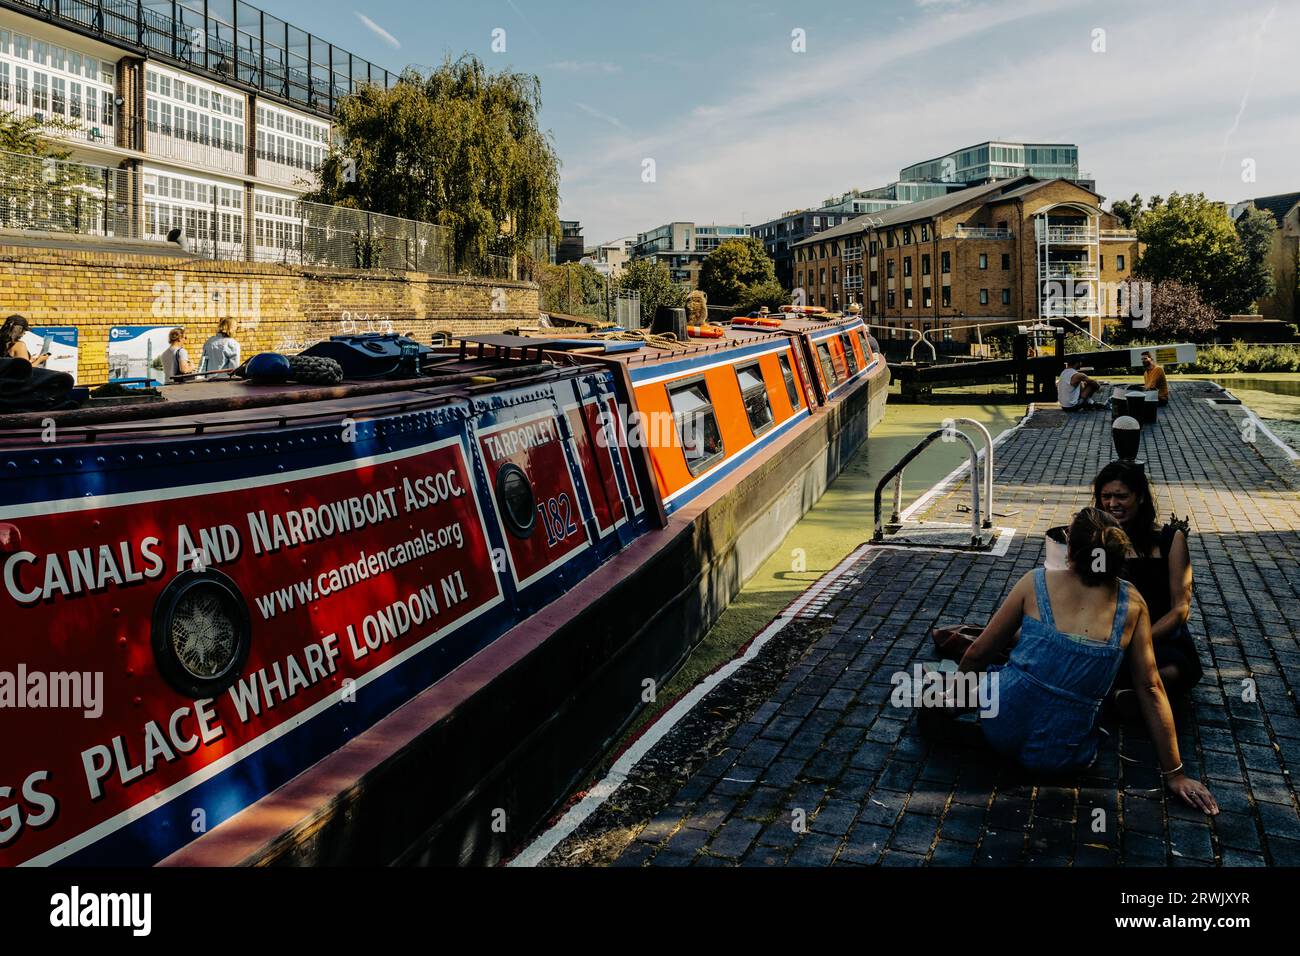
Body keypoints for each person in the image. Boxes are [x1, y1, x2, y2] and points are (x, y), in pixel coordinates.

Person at [955, 507, 1217, 813]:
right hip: (1065, 753)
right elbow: (1151, 688)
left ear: (1069, 548)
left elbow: (977, 653)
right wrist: (1176, 774)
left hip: (1000, 728)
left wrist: (956, 691)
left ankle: (953, 702)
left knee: (993, 675)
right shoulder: (1132, 604)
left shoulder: (1036, 581)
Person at [1093, 460, 1202, 706]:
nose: (1112, 504)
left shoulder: (1169, 541)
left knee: (1175, 669)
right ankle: (1128, 693)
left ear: (1140, 497)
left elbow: (1180, 608)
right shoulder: (1097, 541)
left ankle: (1117, 692)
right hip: (1108, 634)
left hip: (1158, 635)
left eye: (1121, 496)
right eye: (1106, 496)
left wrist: (1138, 640)